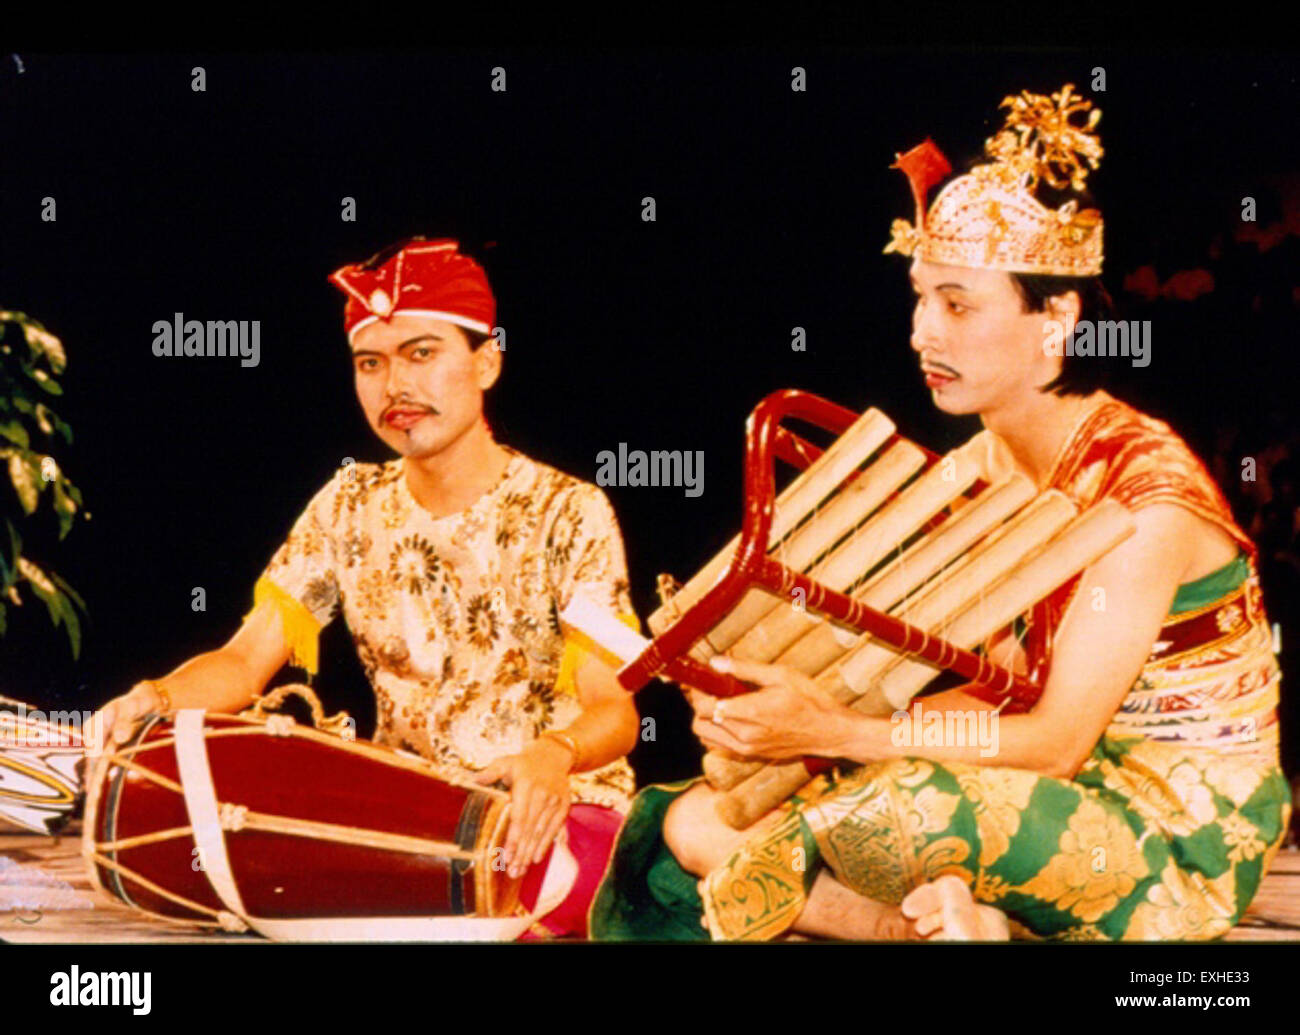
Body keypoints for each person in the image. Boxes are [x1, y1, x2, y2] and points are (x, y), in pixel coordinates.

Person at [589, 85, 1292, 942]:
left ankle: (938, 918)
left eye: (959, 305)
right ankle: (929, 925)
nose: (924, 332)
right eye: (921, 297)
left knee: (893, 808)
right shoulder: (985, 462)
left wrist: (841, 728)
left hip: (1173, 828)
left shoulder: (1144, 502)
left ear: (1057, 318)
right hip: (1027, 780)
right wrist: (769, 701)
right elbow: (953, 677)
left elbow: (1059, 743)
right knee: (694, 820)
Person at [94, 237, 641, 938]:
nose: (394, 387)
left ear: (487, 362)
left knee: (528, 877)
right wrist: (157, 696)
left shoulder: (572, 511)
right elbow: (242, 661)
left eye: (422, 353)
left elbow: (615, 710)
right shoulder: (346, 505)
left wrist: (554, 752)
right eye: (370, 363)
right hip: (409, 823)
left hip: (555, 816)